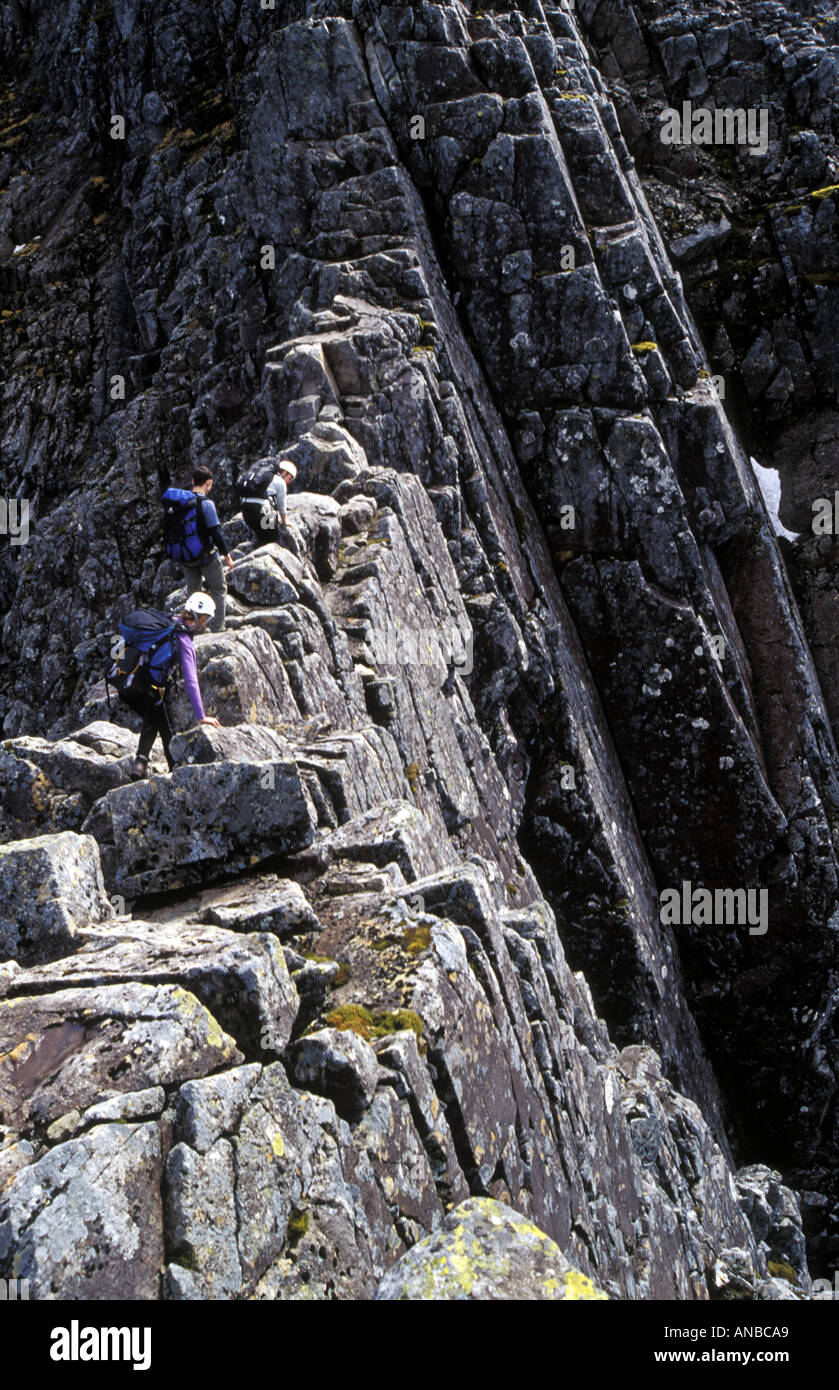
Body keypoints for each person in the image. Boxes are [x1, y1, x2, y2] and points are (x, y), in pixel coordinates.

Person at [107, 593, 221, 780]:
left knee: (155, 715)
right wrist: (201, 716)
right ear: (199, 618)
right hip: (147, 685)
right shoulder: (183, 640)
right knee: (166, 723)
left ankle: (140, 764)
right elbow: (191, 680)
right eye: (206, 619)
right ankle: (174, 770)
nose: (207, 624)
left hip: (128, 682)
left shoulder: (168, 621)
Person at [162, 467, 235, 632]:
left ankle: (191, 629)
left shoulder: (179, 503)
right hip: (206, 557)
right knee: (218, 589)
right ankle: (218, 628)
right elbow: (216, 533)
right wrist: (227, 555)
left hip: (185, 556)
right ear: (208, 483)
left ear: (193, 481)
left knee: (193, 593)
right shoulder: (206, 504)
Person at [237, 458, 297, 544]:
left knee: (261, 536)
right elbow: (281, 504)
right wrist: (284, 521)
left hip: (246, 510)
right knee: (273, 539)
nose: (289, 482)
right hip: (263, 510)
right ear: (284, 472)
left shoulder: (262, 478)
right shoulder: (280, 482)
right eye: (290, 478)